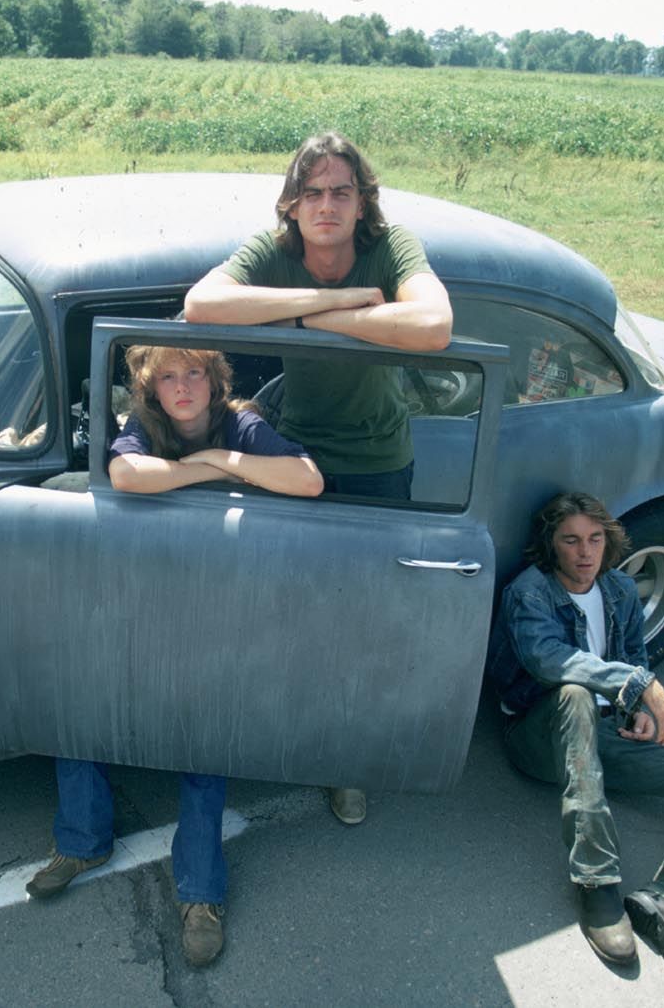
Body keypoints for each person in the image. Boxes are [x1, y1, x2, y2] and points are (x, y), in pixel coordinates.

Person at [184, 129, 451, 826]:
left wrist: (338, 313)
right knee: (288, 607)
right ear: (292, 204)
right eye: (313, 192)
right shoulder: (274, 252)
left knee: (363, 618)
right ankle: (280, 734)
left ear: (362, 202)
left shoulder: (391, 248)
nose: (327, 204)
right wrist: (318, 306)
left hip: (377, 462)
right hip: (294, 453)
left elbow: (433, 325)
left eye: (341, 191)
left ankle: (345, 762)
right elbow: (201, 307)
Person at [26, 344, 322, 968]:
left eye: (194, 373)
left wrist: (220, 454)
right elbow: (129, 476)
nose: (182, 387)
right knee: (79, 705)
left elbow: (307, 479)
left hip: (215, 603)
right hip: (141, 596)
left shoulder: (240, 423)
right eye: (168, 377)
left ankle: (200, 894)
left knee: (201, 736)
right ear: (149, 387)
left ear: (213, 382)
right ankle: (83, 842)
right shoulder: (143, 428)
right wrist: (217, 471)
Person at [486, 492, 664, 987]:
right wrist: (640, 688)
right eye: (570, 541)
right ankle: (597, 883)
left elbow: (634, 659)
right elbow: (548, 659)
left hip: (606, 735)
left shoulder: (618, 590)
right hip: (539, 734)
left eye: (594, 539)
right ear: (552, 546)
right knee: (575, 695)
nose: (584, 552)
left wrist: (638, 712)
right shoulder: (530, 592)